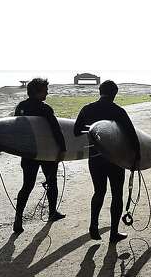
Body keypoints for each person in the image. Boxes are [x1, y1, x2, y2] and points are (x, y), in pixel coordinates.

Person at [74, 80, 141, 243]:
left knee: (99, 192)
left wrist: (93, 130)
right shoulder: (118, 111)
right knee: (117, 194)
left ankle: (93, 226)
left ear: (100, 91)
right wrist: (137, 157)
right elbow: (132, 135)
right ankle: (114, 233)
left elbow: (76, 131)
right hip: (115, 159)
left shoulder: (87, 109)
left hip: (95, 158)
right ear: (114, 94)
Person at [13, 77, 67, 233]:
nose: (47, 93)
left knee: (27, 185)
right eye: (45, 90)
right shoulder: (45, 109)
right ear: (37, 92)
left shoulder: (21, 106)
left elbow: (16, 128)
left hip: (29, 152)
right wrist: (62, 149)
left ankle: (18, 218)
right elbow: (56, 129)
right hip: (45, 152)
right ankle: (52, 212)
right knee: (52, 181)